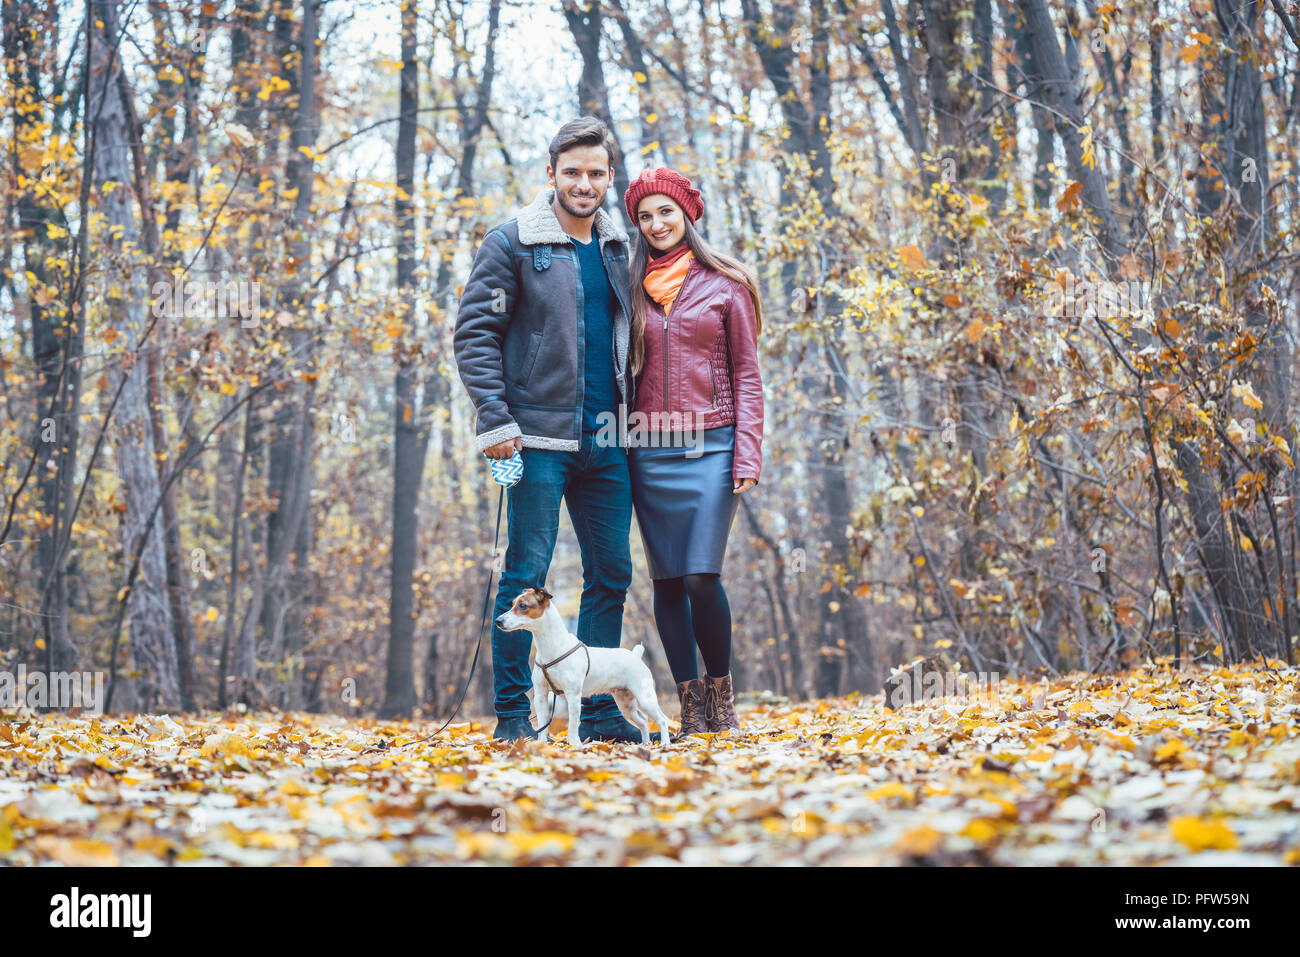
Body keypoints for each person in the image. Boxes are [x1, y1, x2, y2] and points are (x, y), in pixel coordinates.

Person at [453, 116, 647, 743]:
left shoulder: (619, 248)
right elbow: (474, 335)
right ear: (551, 175)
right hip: (533, 439)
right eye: (573, 173)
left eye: (596, 173)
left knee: (611, 572)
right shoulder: (511, 242)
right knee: (524, 574)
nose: (584, 183)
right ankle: (515, 716)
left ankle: (594, 712)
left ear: (609, 177)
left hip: (607, 439)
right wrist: (496, 420)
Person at [621, 167, 764, 737]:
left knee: (703, 573)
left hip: (714, 443)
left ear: (688, 215)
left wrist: (747, 455)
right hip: (650, 449)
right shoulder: (627, 288)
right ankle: (691, 706)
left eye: (666, 212)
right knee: (668, 581)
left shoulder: (726, 285)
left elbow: (748, 376)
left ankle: (721, 695)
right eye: (646, 216)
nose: (657, 224)